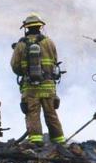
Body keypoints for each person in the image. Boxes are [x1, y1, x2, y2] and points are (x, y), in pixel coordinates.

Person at [10, 12, 65, 145]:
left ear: (26, 28)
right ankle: (59, 142)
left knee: (32, 114)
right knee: (51, 114)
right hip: (48, 86)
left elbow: (15, 66)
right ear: (40, 27)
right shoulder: (49, 42)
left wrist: (24, 71)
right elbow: (55, 61)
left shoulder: (21, 45)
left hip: (30, 88)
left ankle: (36, 142)